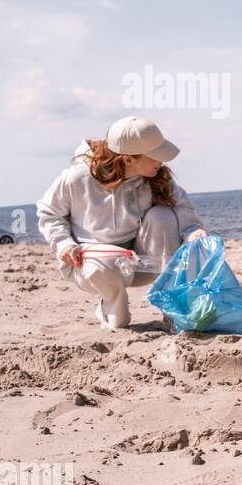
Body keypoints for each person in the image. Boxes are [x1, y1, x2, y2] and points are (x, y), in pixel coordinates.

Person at [37, 116, 207, 330]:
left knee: (162, 215)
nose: (161, 161)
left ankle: (172, 308)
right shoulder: (76, 178)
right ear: (128, 159)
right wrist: (64, 244)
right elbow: (49, 212)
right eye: (155, 156)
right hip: (94, 264)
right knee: (120, 323)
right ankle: (110, 305)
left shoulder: (154, 175)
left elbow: (181, 205)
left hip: (138, 262)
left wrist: (193, 231)